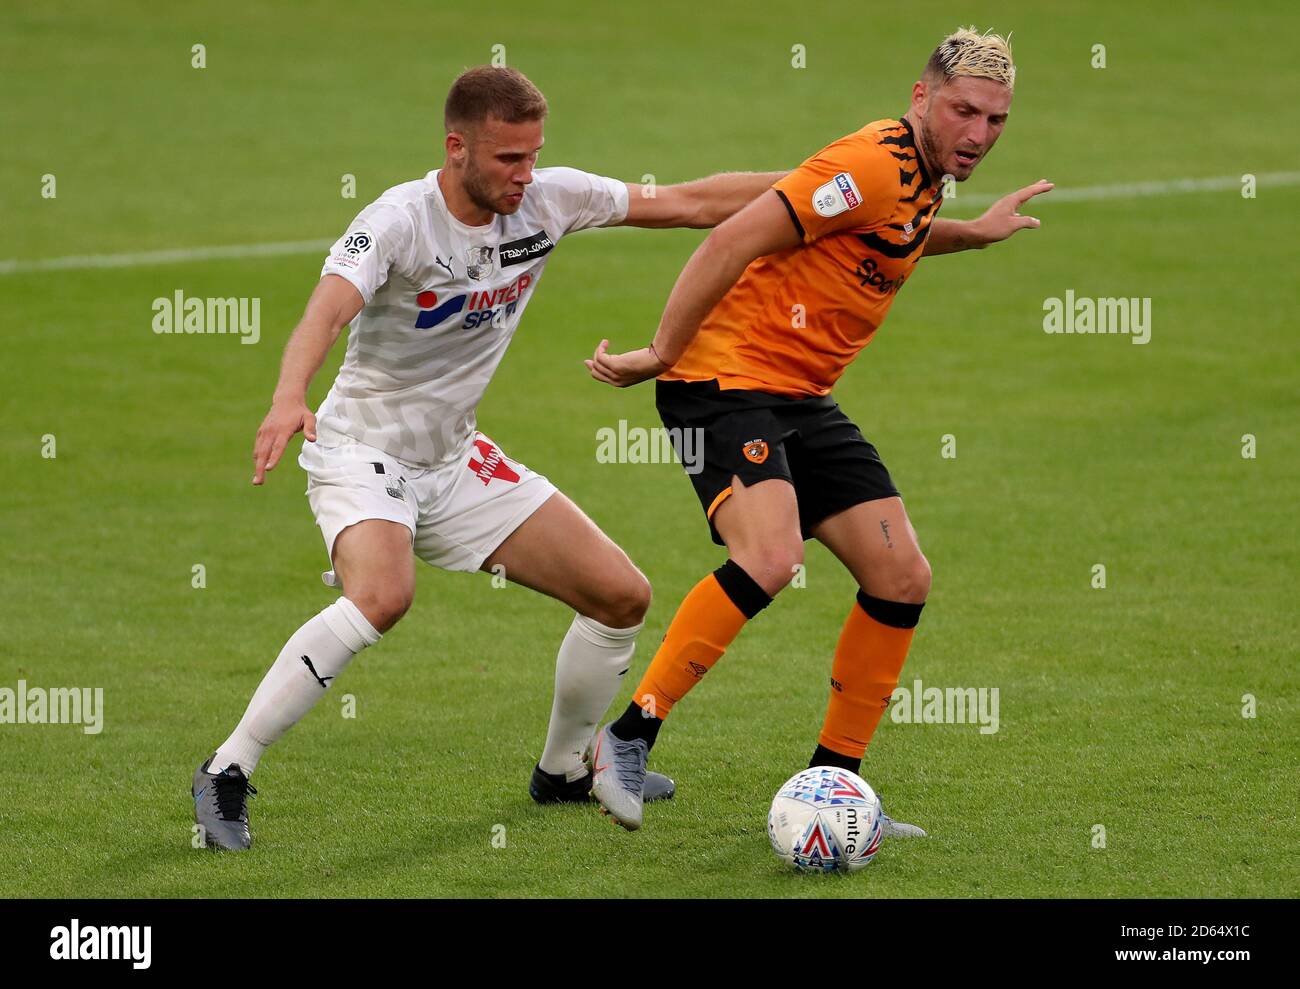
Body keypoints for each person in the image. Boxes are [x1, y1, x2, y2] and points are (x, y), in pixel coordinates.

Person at [192, 65, 784, 851]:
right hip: (363, 451)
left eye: (534, 155)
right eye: (508, 159)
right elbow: (328, 307)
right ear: (456, 147)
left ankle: (564, 768)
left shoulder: (548, 200)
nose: (525, 176)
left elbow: (687, 203)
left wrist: (827, 178)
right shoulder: (398, 220)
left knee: (620, 594)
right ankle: (229, 767)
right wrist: (286, 393)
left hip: (457, 459)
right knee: (384, 595)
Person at [584, 27, 1052, 831]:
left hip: (801, 395)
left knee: (901, 575)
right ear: (922, 97)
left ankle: (834, 784)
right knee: (770, 557)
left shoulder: (926, 173)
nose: (979, 135)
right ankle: (625, 739)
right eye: (965, 111)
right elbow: (733, 235)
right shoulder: (873, 162)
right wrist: (661, 352)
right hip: (720, 381)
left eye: (997, 120)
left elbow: (889, 229)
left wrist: (972, 232)